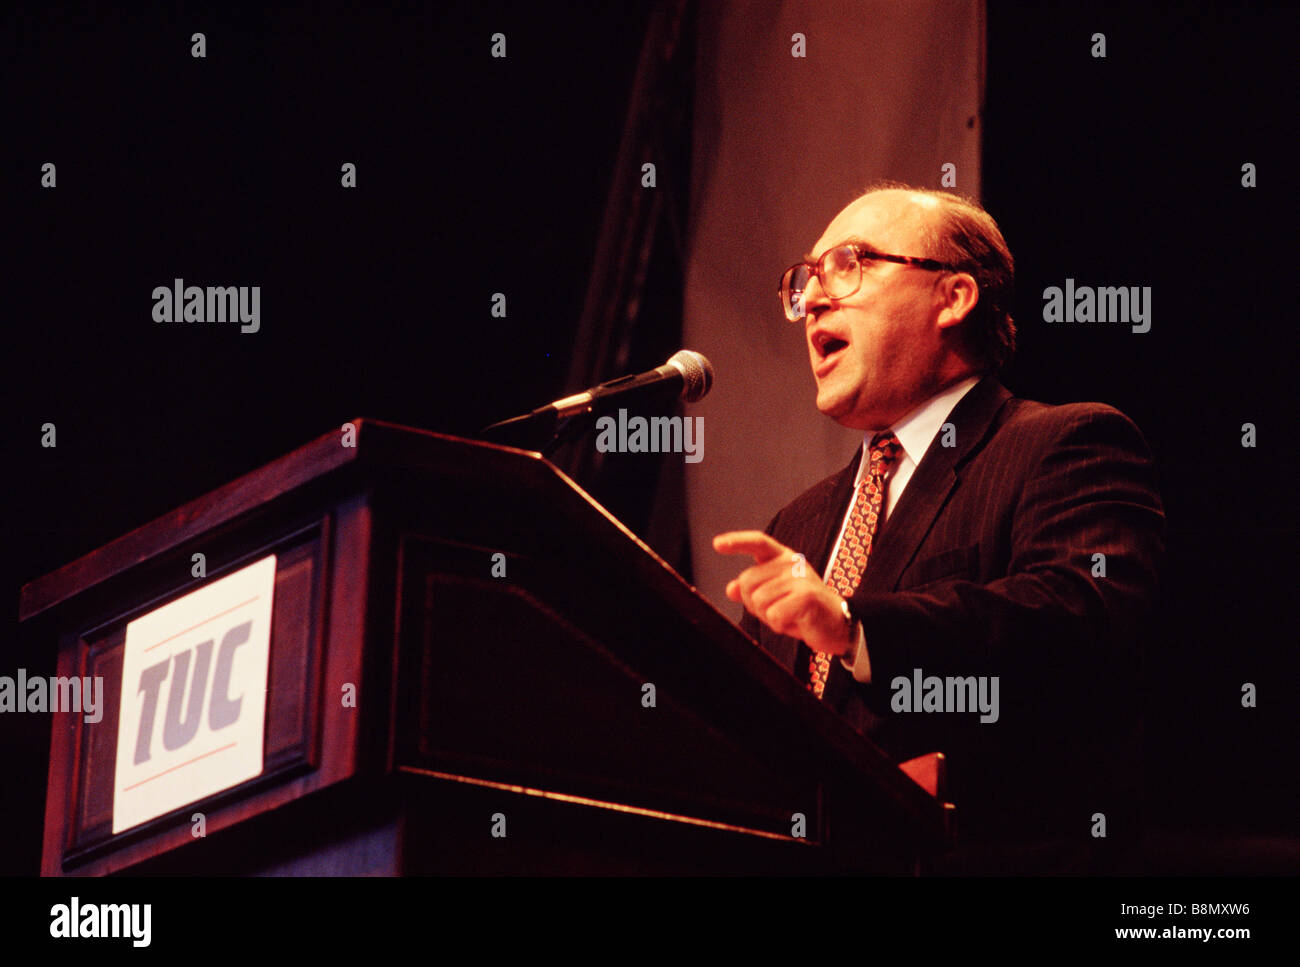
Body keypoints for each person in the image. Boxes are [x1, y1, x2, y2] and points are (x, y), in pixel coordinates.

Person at [713, 185, 1164, 873]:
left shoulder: (1066, 443)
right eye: (805, 281)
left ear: (953, 297)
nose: (814, 301)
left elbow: (1079, 623)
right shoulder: (798, 524)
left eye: (849, 264)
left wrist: (857, 626)